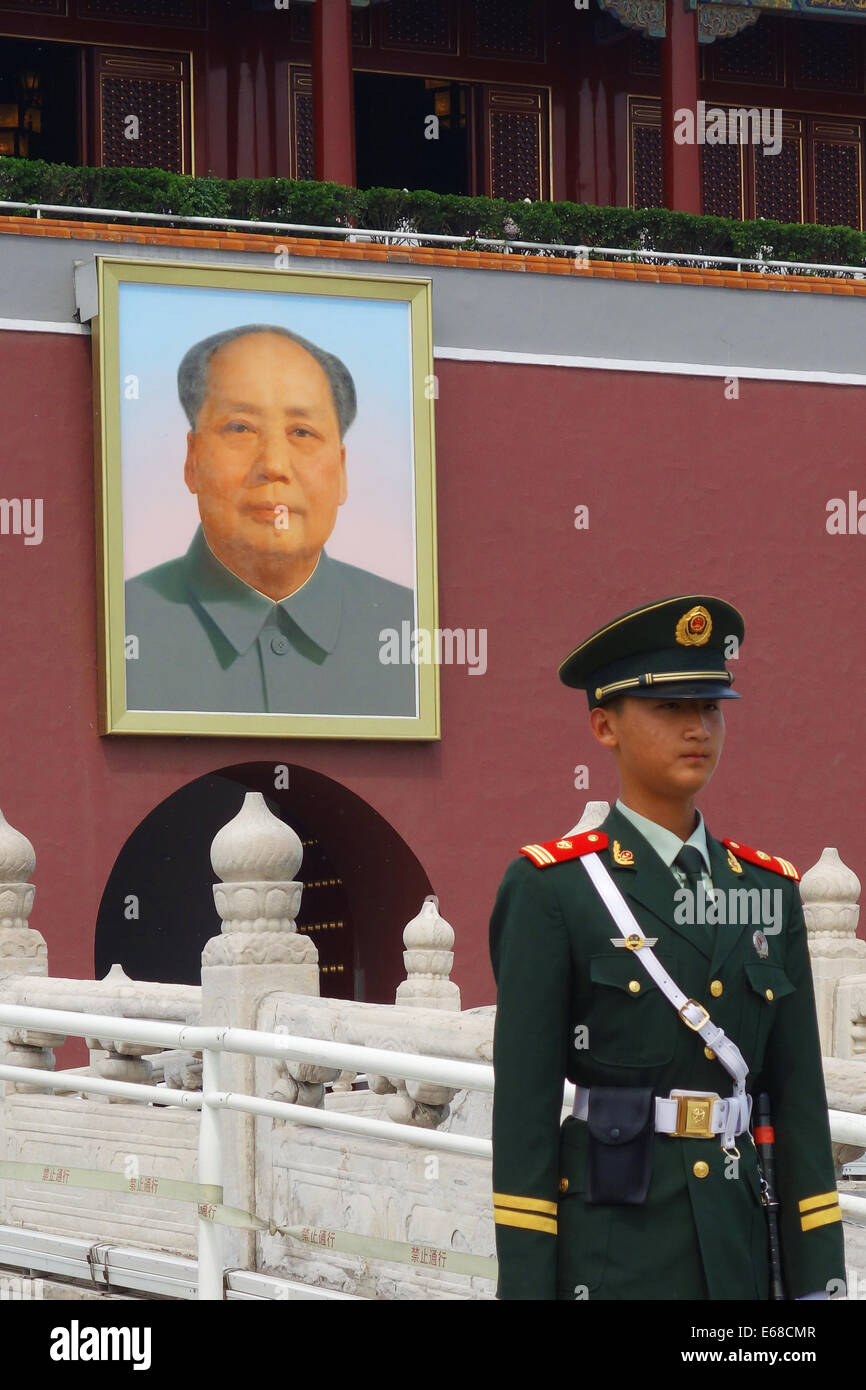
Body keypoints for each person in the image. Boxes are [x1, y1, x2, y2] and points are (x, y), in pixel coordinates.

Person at [489, 594, 845, 1300]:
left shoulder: (769, 890)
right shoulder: (554, 889)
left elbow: (800, 1102)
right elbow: (524, 1125)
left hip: (743, 1251)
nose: (697, 730)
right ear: (604, 726)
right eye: (670, 710)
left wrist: (820, 1283)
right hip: (615, 1257)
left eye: (710, 709)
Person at [124, 324, 415, 716]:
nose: (274, 465)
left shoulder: (410, 634)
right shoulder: (122, 626)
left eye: (302, 432)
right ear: (192, 460)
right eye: (241, 428)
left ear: (342, 470)